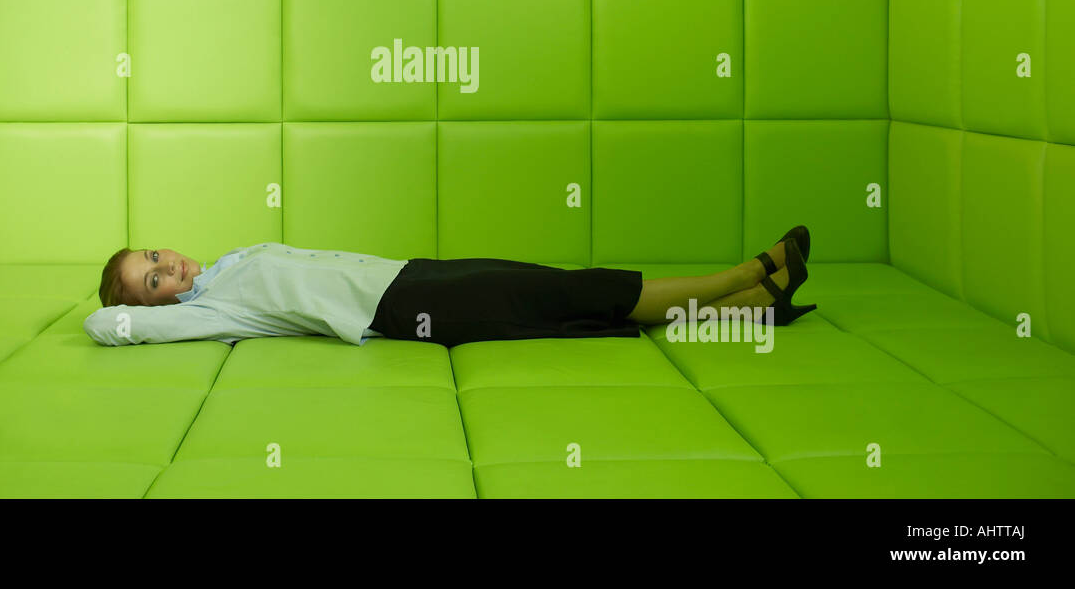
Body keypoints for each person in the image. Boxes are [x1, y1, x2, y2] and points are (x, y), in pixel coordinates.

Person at [82, 228, 816, 348]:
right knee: (574, 296)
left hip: (407, 274)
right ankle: (750, 274)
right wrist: (122, 311)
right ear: (155, 302)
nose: (166, 266)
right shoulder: (209, 308)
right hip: (403, 309)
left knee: (558, 285)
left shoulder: (228, 262)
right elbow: (107, 329)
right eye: (152, 280)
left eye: (155, 255)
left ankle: (754, 306)